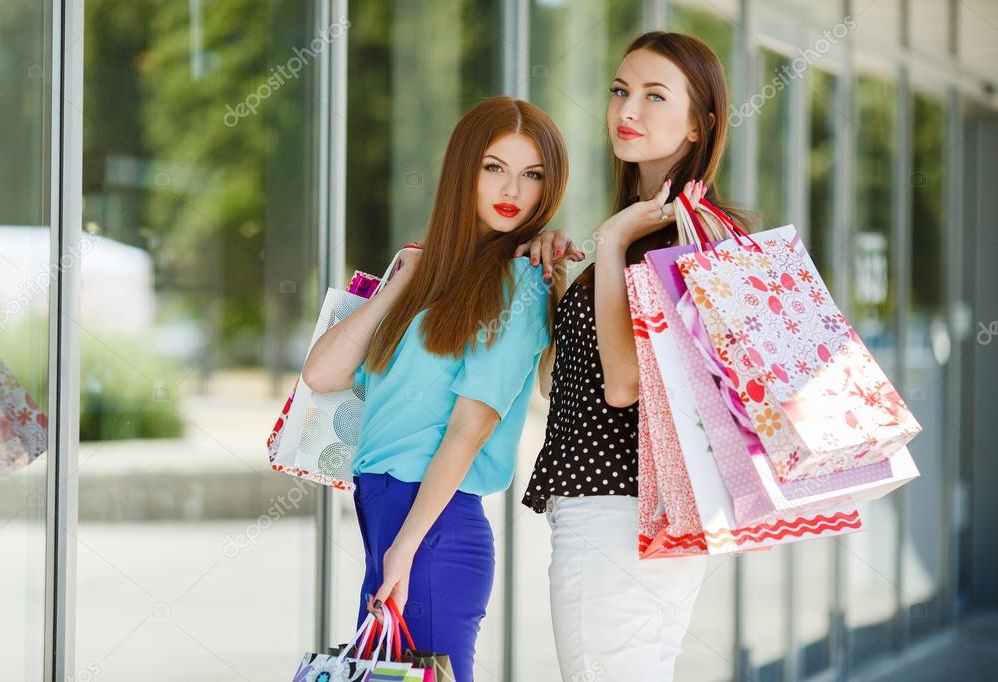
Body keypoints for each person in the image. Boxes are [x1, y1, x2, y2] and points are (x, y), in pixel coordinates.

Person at [303, 95, 568, 682]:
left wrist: (405, 548)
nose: (513, 189)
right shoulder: (429, 281)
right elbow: (322, 374)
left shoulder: (519, 283)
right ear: (462, 170)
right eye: (494, 167)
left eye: (533, 175)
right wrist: (405, 279)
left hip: (431, 531)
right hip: (394, 527)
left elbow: (470, 428)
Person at [515, 31, 751, 682]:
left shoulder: (683, 235)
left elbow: (622, 386)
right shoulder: (651, 229)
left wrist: (612, 242)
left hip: (621, 512)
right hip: (636, 515)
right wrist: (563, 283)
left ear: (699, 125)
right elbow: (560, 382)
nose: (628, 110)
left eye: (653, 95)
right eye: (620, 90)